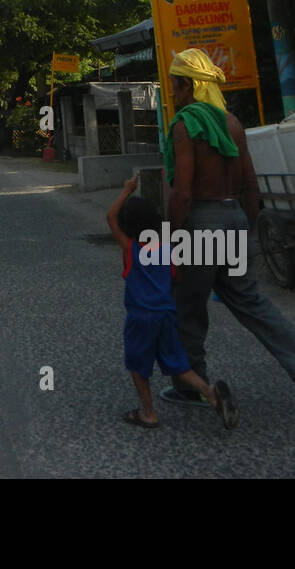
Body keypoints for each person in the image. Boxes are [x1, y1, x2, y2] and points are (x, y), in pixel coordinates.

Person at [161, 48, 295, 425]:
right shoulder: (232, 123)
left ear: (187, 84)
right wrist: (242, 227)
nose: (173, 92)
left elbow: (182, 191)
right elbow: (250, 184)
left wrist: (172, 234)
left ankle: (189, 385)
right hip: (233, 216)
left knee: (188, 304)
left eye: (175, 84)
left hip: (201, 219)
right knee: (250, 301)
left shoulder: (185, 125)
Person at [106, 175, 239, 430]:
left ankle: (148, 413)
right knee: (178, 364)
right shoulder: (167, 250)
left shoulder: (131, 250)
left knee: (138, 365)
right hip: (167, 315)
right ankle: (209, 392)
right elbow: (175, 277)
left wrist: (125, 191)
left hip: (141, 318)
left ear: (128, 226)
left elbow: (110, 218)